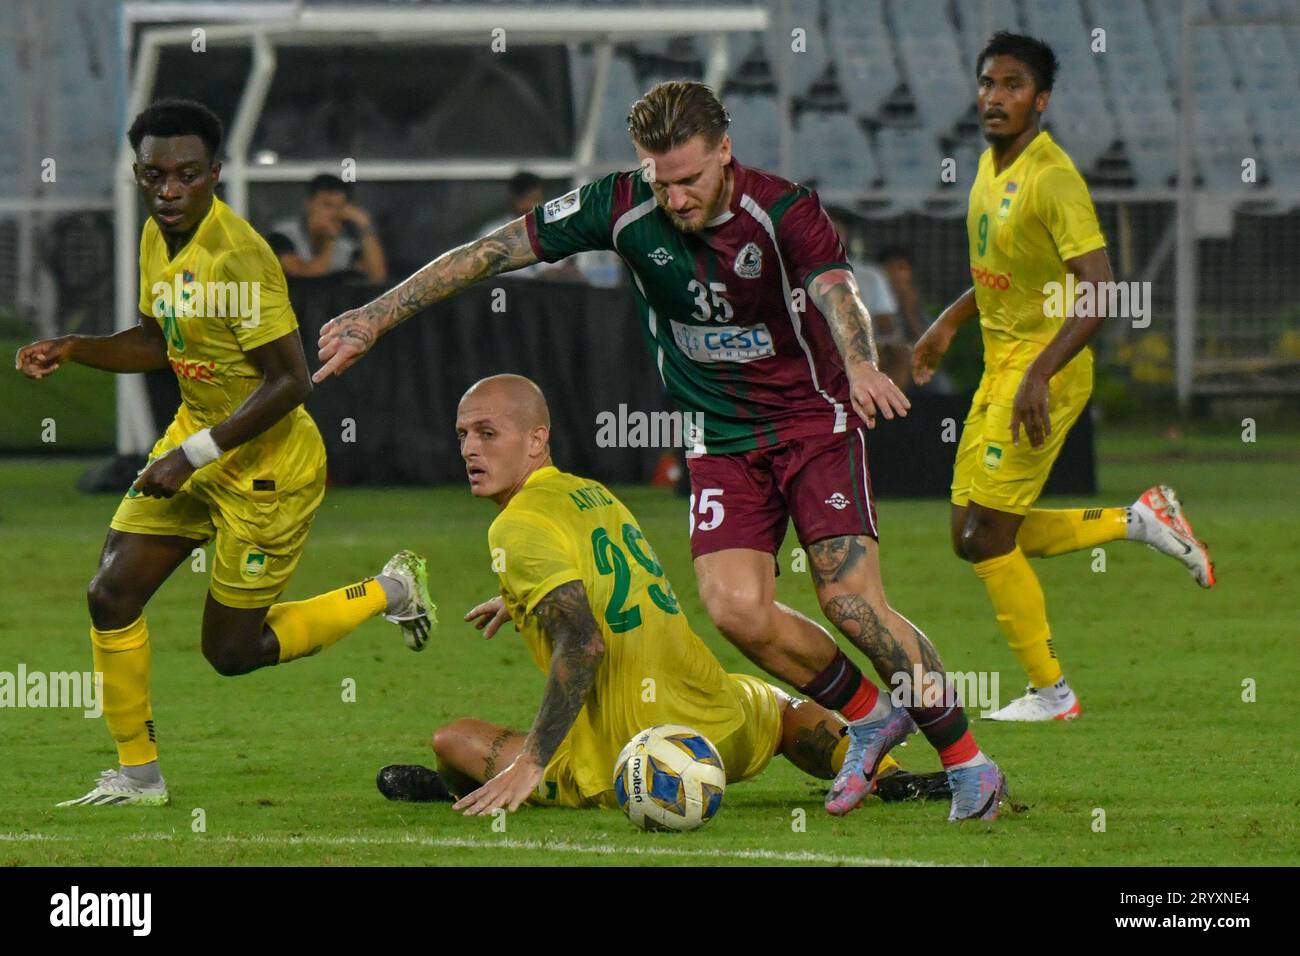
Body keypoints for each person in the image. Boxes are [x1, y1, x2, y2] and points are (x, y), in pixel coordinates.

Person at [316, 80, 1007, 822]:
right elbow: (491, 252)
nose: (675, 198)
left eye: (690, 179)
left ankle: (971, 764)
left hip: (812, 423)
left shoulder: (783, 210)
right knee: (738, 611)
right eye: (660, 180)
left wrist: (863, 363)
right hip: (717, 437)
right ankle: (871, 716)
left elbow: (838, 291)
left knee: (848, 601)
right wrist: (375, 314)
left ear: (725, 152)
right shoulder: (619, 207)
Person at [13, 99, 433, 806]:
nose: (168, 190)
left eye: (185, 175)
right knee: (110, 593)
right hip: (196, 437)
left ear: (216, 172)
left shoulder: (238, 256)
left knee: (231, 653)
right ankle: (140, 777)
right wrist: (77, 348)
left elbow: (292, 381)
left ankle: (390, 589)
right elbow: (158, 339)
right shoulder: (159, 233)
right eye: (153, 175)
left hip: (266, 467)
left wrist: (194, 454)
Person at [375, 375, 949, 812]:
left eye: (486, 433)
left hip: (626, 760)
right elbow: (608, 573)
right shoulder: (592, 493)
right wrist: (520, 597)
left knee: (451, 739)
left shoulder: (515, 526)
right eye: (463, 435)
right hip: (717, 723)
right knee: (780, 711)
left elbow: (584, 643)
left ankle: (471, 790)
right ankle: (893, 775)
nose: (470, 450)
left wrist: (532, 760)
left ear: (535, 440)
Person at [912, 33, 1215, 722]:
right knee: (973, 532)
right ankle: (1138, 521)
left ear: (1040, 100)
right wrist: (950, 321)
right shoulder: (990, 168)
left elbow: (1101, 289)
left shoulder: (1052, 177)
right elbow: (1003, 273)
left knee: (985, 537)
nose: (995, 96)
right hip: (1002, 365)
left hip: (1044, 371)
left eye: (1013, 85)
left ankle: (1053, 693)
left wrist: (1041, 373)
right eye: (988, 82)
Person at [825, 207, 909, 386]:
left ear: (848, 237)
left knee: (900, 352)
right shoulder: (795, 273)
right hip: (816, 348)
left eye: (836, 231)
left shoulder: (870, 276)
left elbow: (887, 326)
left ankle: (890, 410)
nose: (828, 237)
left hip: (864, 348)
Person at [267, 174, 387, 283]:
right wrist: (329, 240)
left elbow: (377, 277)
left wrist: (364, 225)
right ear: (308, 204)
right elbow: (305, 274)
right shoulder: (282, 236)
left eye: (339, 207)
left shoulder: (345, 246)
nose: (334, 214)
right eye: (327, 205)